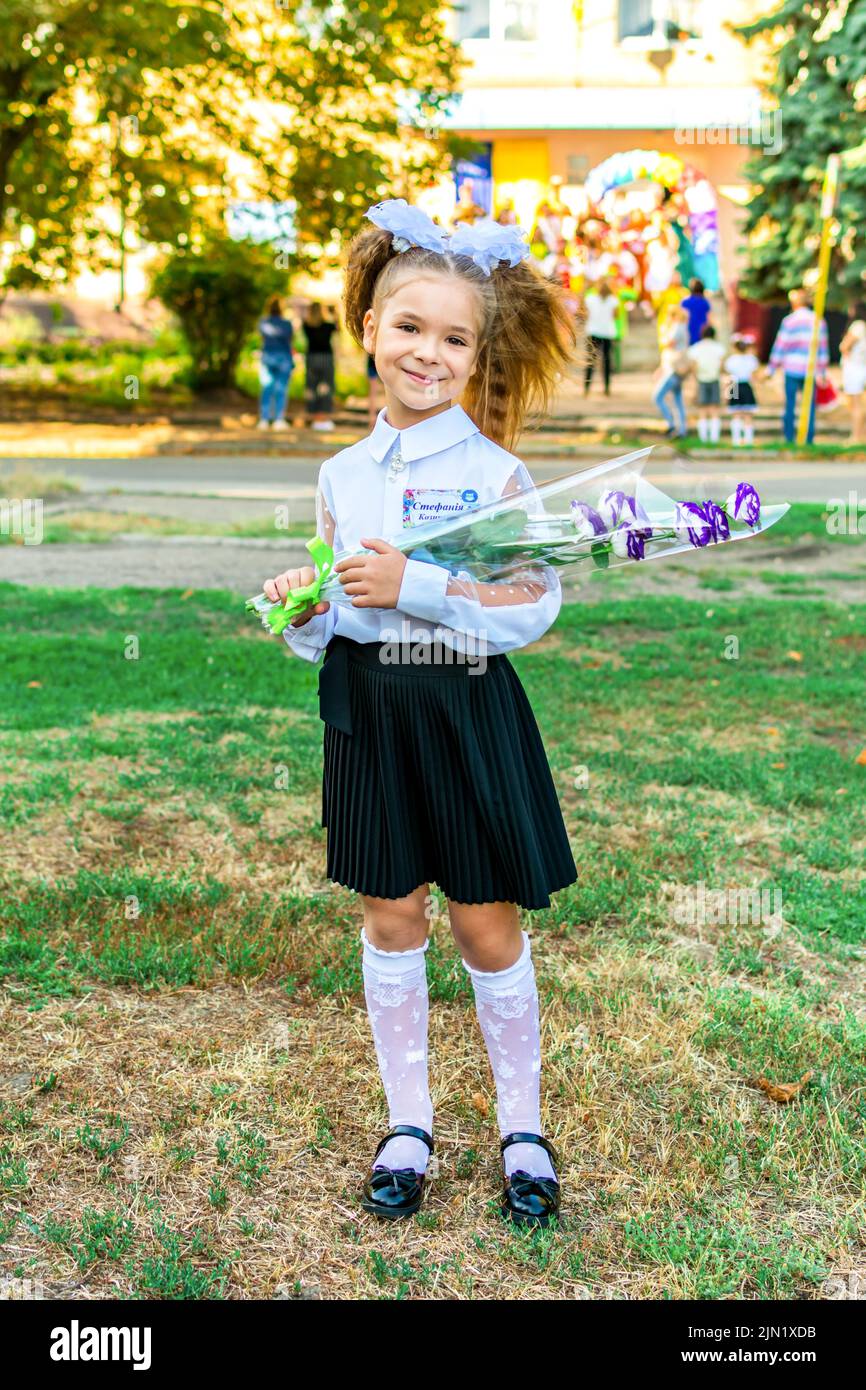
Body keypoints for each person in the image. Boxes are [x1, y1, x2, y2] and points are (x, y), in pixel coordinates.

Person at [261, 198, 578, 1229]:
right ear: (367, 331)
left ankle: (521, 1127)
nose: (427, 353)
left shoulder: (494, 474)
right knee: (389, 912)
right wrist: (305, 611)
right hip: (368, 713)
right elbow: (335, 602)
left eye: (453, 337)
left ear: (478, 353)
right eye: (408, 328)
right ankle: (409, 1123)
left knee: (483, 922)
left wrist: (421, 588)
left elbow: (533, 601)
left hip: (463, 709)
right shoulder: (340, 472)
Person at [766, 288, 829, 444]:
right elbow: (822, 347)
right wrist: (821, 372)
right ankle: (808, 439)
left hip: (792, 368)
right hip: (810, 369)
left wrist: (771, 368)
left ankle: (789, 438)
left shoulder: (789, 321)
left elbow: (781, 345)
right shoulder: (818, 320)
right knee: (809, 407)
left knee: (790, 405)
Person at [257, 295, 296, 431]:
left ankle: (264, 419)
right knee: (281, 389)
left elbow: (262, 339)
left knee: (267, 388)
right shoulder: (287, 324)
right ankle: (279, 419)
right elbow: (291, 340)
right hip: (284, 357)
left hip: (268, 356)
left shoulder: (263, 322)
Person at [653, 303, 690, 438]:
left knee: (657, 397)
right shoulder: (682, 327)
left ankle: (672, 424)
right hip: (676, 368)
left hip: (674, 369)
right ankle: (682, 429)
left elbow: (668, 343)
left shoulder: (677, 327)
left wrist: (662, 335)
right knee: (678, 399)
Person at [687, 323, 727, 443]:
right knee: (714, 409)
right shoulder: (719, 348)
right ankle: (714, 439)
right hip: (714, 379)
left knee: (702, 410)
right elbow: (721, 366)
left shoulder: (696, 348)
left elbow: (694, 366)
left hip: (701, 380)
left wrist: (694, 382)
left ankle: (703, 438)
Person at [301, 302, 338, 431]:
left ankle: (313, 417)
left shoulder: (306, 325)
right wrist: (334, 313)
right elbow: (338, 328)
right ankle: (323, 418)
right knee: (326, 387)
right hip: (326, 358)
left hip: (311, 358)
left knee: (312, 386)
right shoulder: (328, 325)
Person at [723, 334, 760, 446]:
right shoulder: (752, 359)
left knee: (736, 414)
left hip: (734, 385)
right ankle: (748, 440)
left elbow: (728, 376)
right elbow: (754, 376)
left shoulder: (730, 360)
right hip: (746, 386)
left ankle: (736, 440)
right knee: (748, 415)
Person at [583, 278, 618, 395]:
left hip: (593, 332)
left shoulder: (590, 299)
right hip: (607, 332)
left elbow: (586, 314)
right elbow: (616, 315)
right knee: (607, 361)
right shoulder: (613, 300)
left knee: (590, 361)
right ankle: (607, 388)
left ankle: (586, 387)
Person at [839, 317, 866, 443]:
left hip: (855, 368)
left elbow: (844, 346)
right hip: (861, 366)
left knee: (855, 405)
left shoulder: (858, 325)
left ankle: (856, 437)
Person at [681, 278, 711, 345]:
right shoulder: (705, 302)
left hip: (689, 332)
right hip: (702, 332)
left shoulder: (685, 302)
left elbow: (682, 318)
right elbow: (709, 319)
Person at [366, 350, 384, 432]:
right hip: (373, 361)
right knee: (373, 392)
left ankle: (372, 420)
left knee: (373, 393)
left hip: (373, 360)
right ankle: (372, 419)